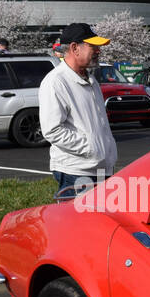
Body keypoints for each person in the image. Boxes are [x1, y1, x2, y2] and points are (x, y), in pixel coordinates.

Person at [38, 23, 116, 199]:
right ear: (74, 48)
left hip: (100, 169)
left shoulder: (91, 80)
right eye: (93, 46)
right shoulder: (56, 82)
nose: (98, 51)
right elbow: (52, 130)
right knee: (78, 225)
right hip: (77, 172)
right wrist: (92, 148)